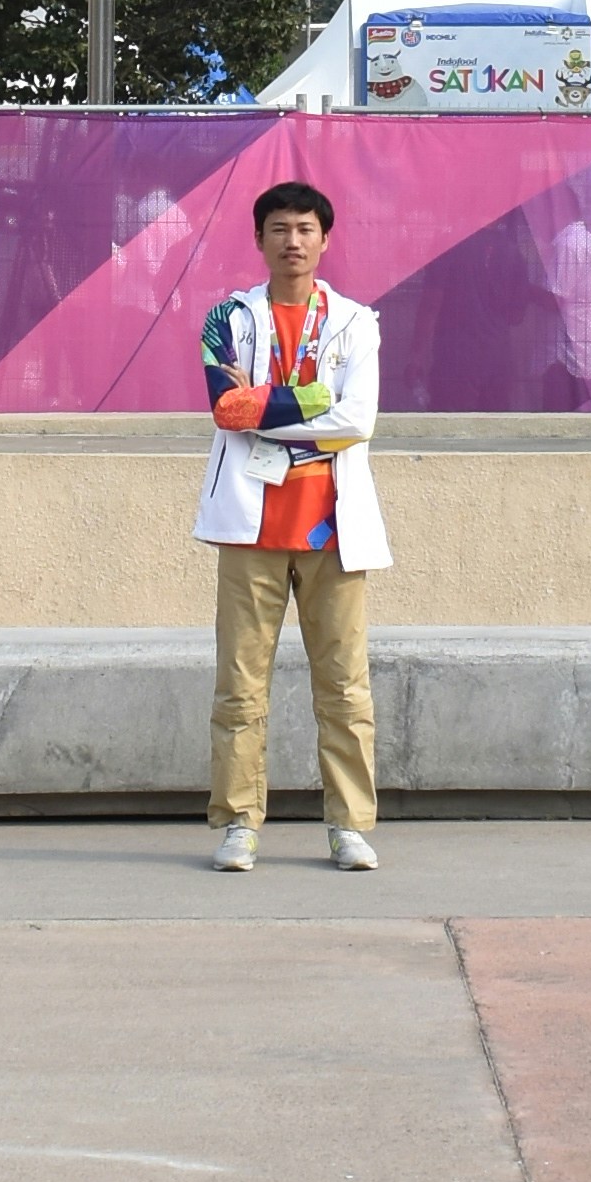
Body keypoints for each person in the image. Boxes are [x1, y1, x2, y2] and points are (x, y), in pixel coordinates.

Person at [194, 176, 387, 871]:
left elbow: (357, 420)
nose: (293, 241)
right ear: (259, 239)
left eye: (306, 229)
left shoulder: (356, 321)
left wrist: (270, 411)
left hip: (333, 528)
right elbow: (227, 410)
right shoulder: (228, 320)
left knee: (343, 683)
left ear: (325, 239)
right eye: (280, 229)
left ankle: (349, 825)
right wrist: (313, 403)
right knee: (240, 684)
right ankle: (240, 822)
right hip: (251, 527)